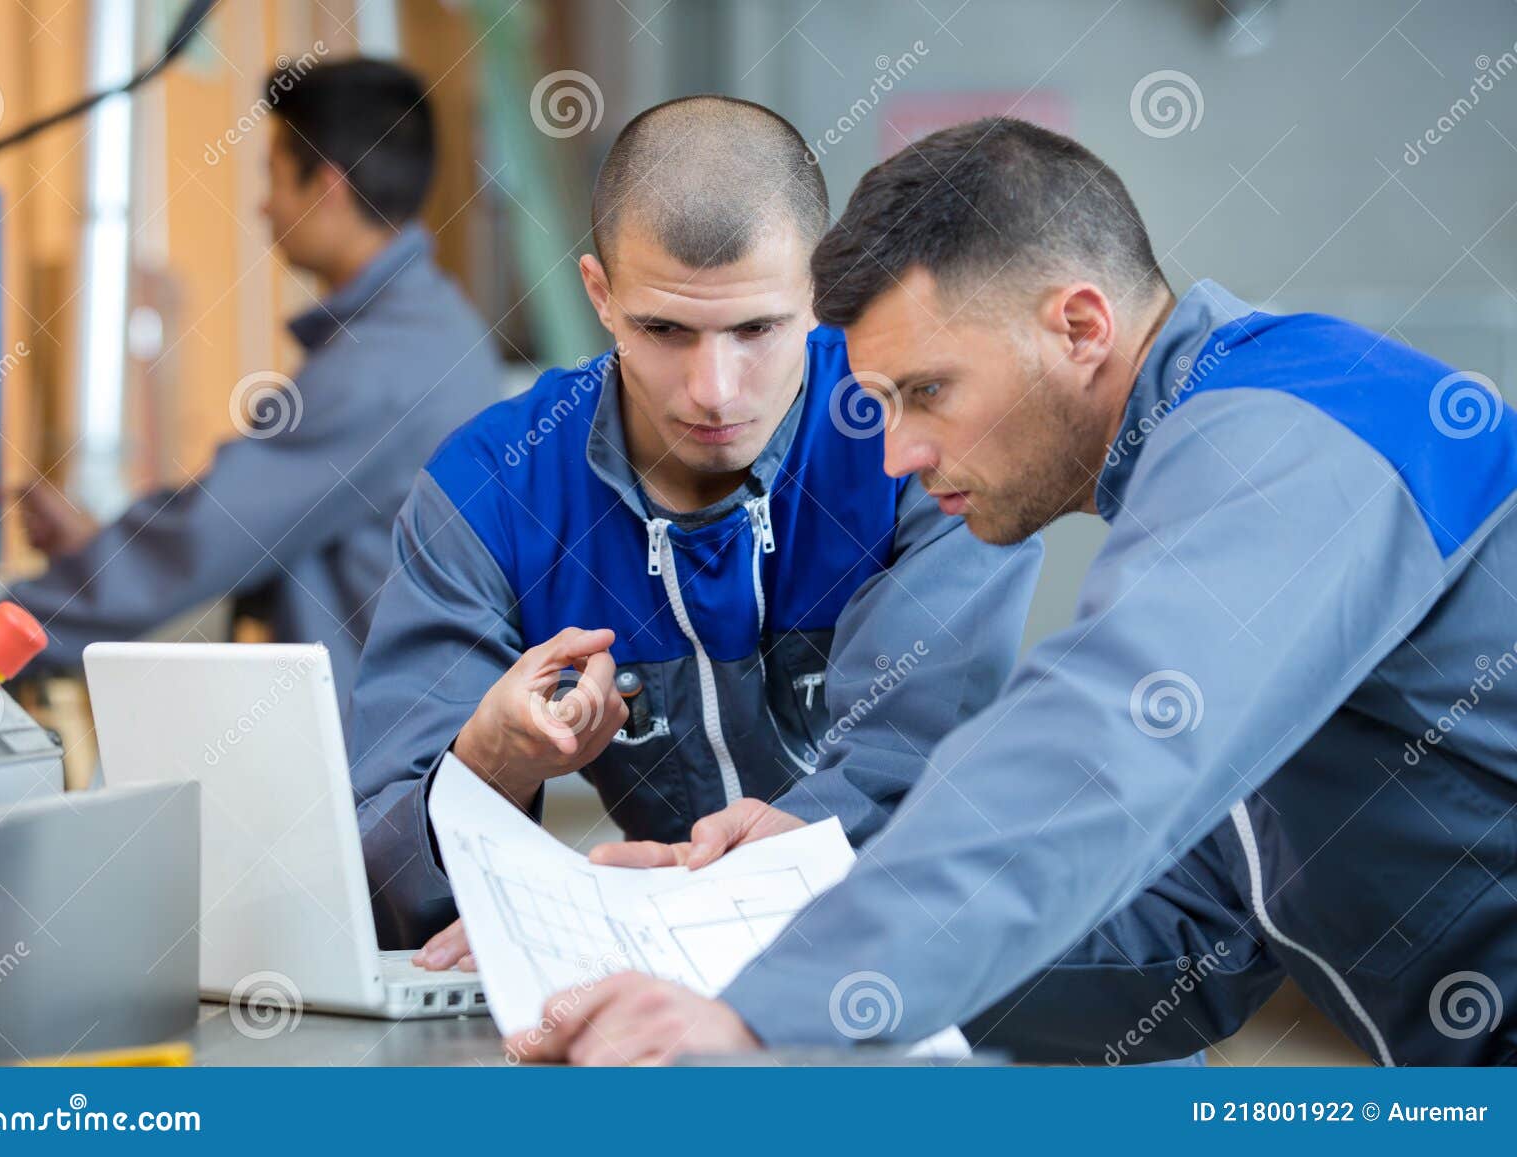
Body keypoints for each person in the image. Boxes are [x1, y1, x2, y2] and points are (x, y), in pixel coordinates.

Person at [508, 116, 1517, 1067]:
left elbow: (1098, 744)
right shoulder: (1212, 457)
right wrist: (730, 940)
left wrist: (765, 1015)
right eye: (879, 403)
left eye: (928, 390)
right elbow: (1185, 929)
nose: (898, 453)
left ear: (1078, 326)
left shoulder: (1291, 436)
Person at [344, 96, 1043, 956]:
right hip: (681, 999)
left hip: (950, 970)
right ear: (599, 293)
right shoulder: (490, 493)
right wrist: (491, 761)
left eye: (757, 327)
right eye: (664, 329)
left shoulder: (920, 437)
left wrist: (665, 908)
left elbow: (918, 774)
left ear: (820, 287)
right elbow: (375, 888)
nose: (714, 388)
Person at [0, 58, 504, 700]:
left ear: (326, 188)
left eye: (272, 178)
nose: (263, 206)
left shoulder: (380, 365)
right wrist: (99, 547)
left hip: (380, 767)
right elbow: (233, 531)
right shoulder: (432, 325)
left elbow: (199, 545)